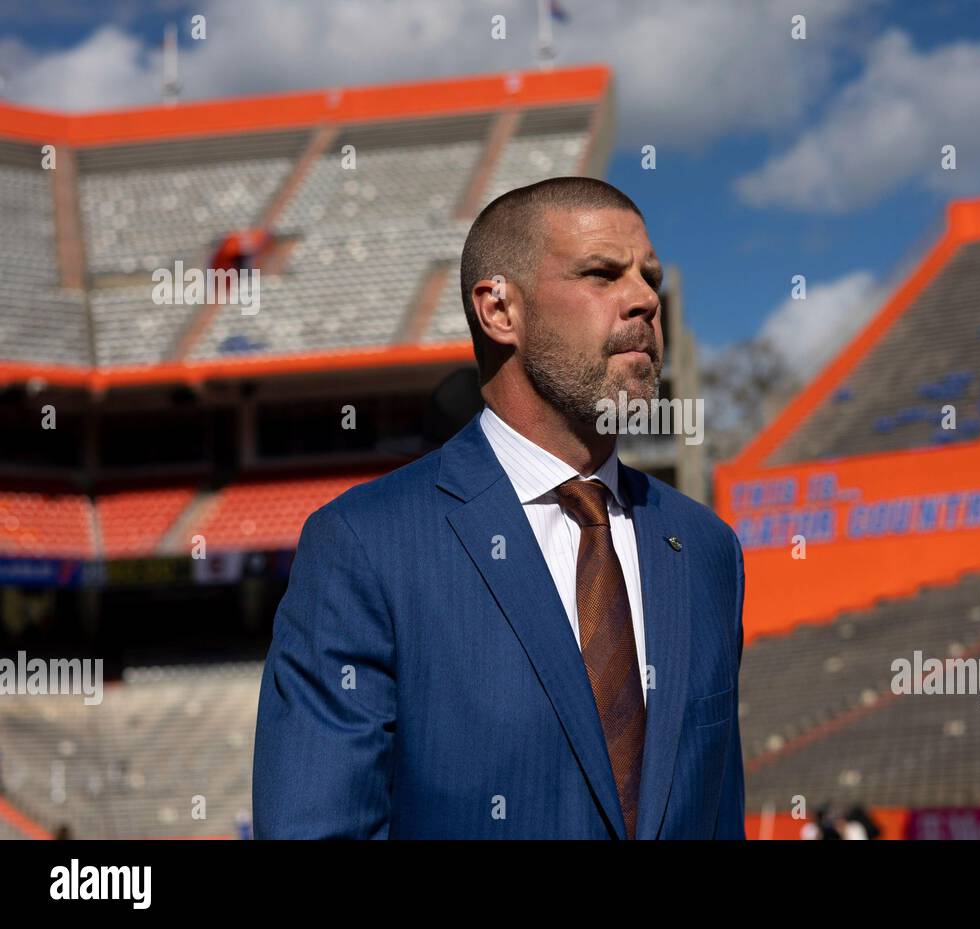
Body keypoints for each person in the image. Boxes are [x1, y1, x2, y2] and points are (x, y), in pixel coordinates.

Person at [253, 177, 746, 839]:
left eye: (648, 276)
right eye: (602, 274)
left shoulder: (707, 548)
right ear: (499, 309)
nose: (643, 299)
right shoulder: (366, 546)